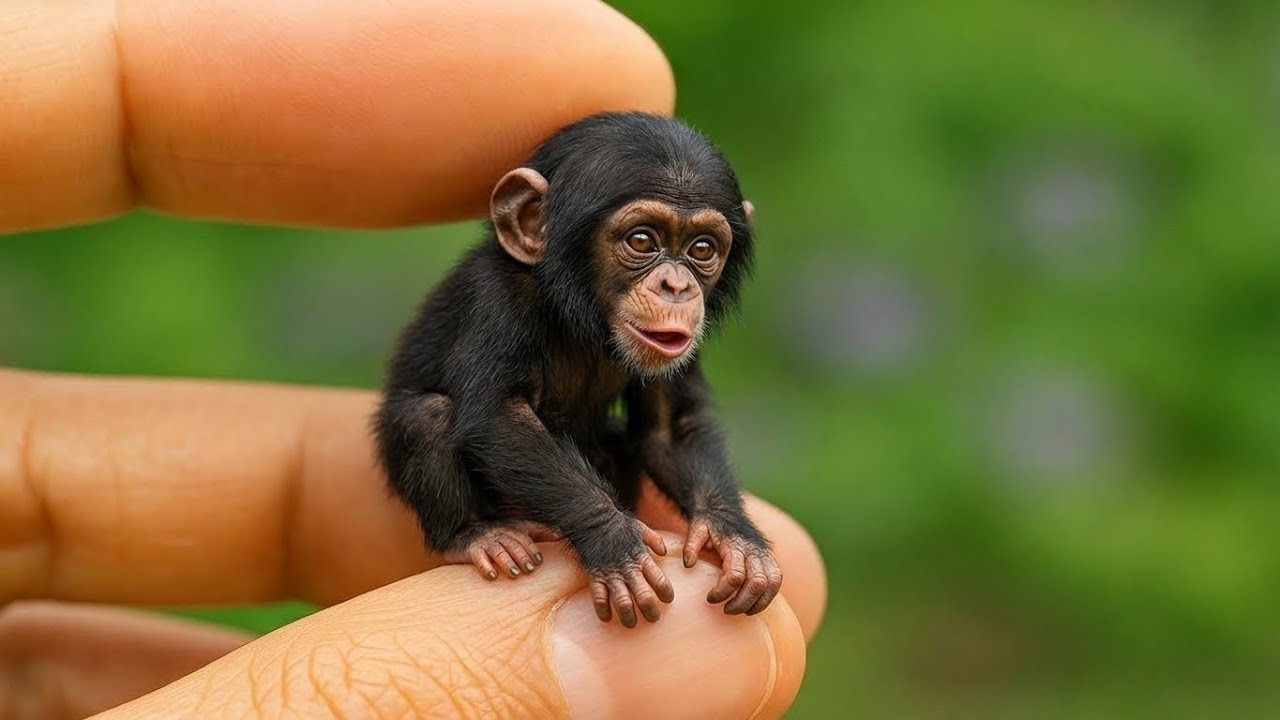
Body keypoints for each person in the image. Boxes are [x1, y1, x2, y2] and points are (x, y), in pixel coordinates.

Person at [0, 1, 827, 717]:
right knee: (426, 419)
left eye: (703, 251)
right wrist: (605, 536)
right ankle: (464, 530)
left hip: (567, 446)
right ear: (532, 225)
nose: (676, 285)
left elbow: (674, 425)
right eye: (641, 242)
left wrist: (727, 523)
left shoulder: (644, 325)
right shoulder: (508, 298)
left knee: (632, 439)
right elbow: (492, 421)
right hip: (460, 447)